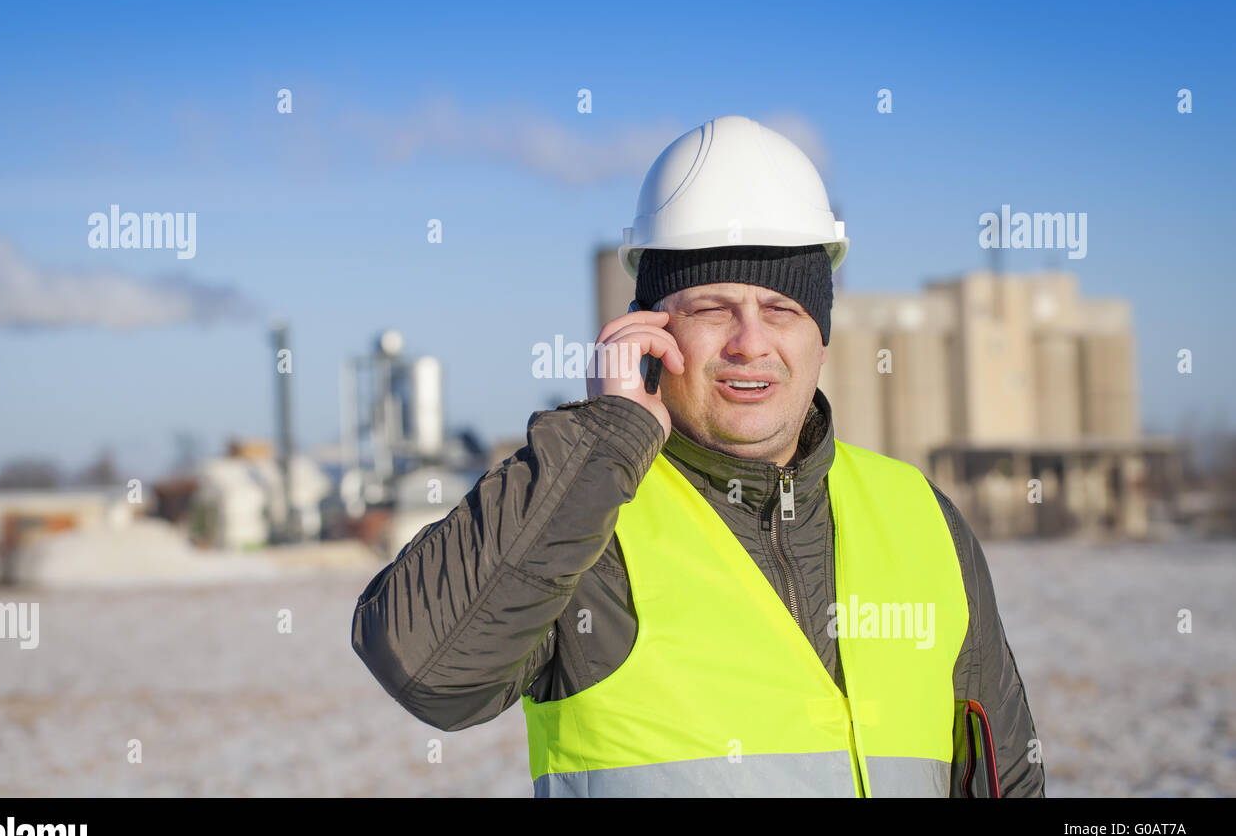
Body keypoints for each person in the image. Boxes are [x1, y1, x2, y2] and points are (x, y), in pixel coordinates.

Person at [352, 114, 1044, 798]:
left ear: (820, 339)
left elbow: (1004, 772)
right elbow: (429, 670)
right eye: (713, 308)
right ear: (649, 333)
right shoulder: (586, 516)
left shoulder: (917, 513)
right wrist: (605, 434)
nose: (750, 342)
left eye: (781, 310)